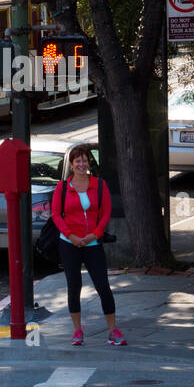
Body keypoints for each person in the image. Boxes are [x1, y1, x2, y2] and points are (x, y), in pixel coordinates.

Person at [51, 144, 124, 346]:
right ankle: (77, 331)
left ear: (88, 163)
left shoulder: (99, 184)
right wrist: (70, 235)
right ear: (72, 165)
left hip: (93, 243)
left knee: (103, 286)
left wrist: (95, 234)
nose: (81, 164)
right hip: (69, 243)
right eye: (77, 161)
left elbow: (106, 213)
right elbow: (56, 215)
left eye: (84, 160)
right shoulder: (62, 187)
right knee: (74, 286)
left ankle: (113, 330)